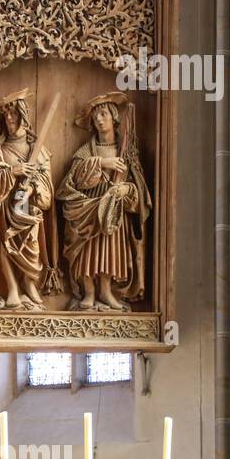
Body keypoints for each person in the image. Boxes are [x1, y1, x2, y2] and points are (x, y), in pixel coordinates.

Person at [57, 91, 152, 311]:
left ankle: (106, 291)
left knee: (109, 250)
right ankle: (89, 292)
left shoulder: (127, 151)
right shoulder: (85, 151)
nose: (99, 120)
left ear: (114, 117)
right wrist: (101, 163)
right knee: (87, 250)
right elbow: (73, 178)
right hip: (88, 209)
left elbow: (138, 186)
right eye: (95, 117)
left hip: (113, 211)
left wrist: (125, 189)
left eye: (103, 115)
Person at [0, 88, 58, 310]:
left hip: (29, 209)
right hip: (5, 207)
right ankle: (11, 290)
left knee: (32, 246)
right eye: (6, 115)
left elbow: (47, 183)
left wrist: (33, 188)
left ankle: (29, 284)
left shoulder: (37, 150)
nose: (9, 119)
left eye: (14, 114)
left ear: (23, 116)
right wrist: (11, 172)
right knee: (5, 246)